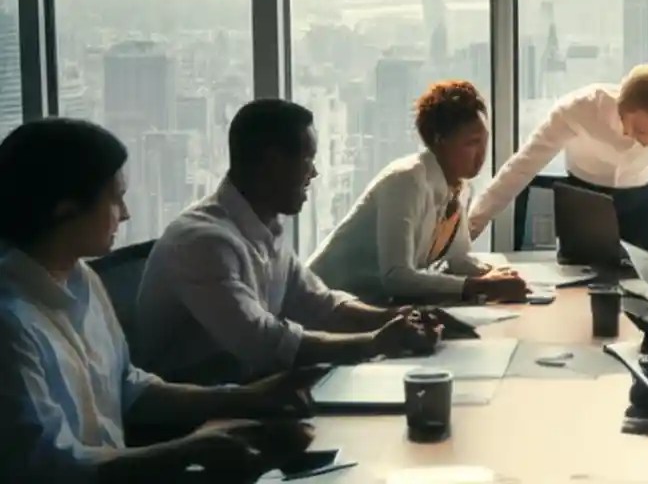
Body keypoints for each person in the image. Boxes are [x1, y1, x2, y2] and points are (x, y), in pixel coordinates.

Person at [0, 119, 318, 483]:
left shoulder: (82, 279)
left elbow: (130, 389)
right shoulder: (10, 324)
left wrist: (247, 398)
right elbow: (49, 467)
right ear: (65, 209)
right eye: (115, 198)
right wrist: (187, 451)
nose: (126, 212)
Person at [468, 64, 648, 434]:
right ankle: (576, 393)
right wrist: (471, 227)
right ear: (621, 110)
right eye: (640, 131)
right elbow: (522, 166)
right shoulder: (577, 109)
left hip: (641, 202)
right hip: (586, 202)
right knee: (582, 295)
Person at [135, 100, 442, 386]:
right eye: (308, 159)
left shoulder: (266, 228)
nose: (314, 173)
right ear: (273, 163)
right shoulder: (203, 244)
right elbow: (263, 342)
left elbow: (321, 305)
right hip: (196, 416)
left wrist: (396, 317)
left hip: (248, 392)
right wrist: (374, 342)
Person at [308, 80, 527, 303]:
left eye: (484, 142)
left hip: (366, 306)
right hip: (321, 306)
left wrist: (498, 275)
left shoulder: (457, 187)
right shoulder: (407, 181)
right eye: (471, 143)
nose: (481, 155)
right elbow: (396, 277)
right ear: (439, 140)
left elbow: (459, 259)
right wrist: (481, 286)